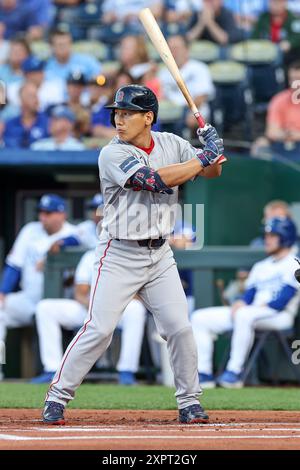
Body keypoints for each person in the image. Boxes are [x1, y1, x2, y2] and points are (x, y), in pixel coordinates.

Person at [42, 83, 225, 426]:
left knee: (180, 328)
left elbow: (212, 171)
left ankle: (189, 402)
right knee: (99, 329)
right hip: (119, 253)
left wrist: (211, 149)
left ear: (148, 118)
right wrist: (201, 157)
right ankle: (57, 396)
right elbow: (152, 180)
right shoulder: (112, 153)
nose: (119, 120)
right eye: (117, 114)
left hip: (160, 255)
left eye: (127, 114)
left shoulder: (171, 143)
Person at [191, 217, 300, 389]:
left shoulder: (293, 264)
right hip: (252, 313)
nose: (267, 239)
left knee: (244, 314)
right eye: (266, 235)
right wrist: (240, 302)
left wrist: (247, 307)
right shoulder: (261, 266)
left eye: (273, 235)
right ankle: (204, 374)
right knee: (199, 317)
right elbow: (249, 296)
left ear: (285, 237)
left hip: (279, 315)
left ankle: (234, 372)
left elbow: (281, 301)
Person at [32, 248, 147, 385]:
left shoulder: (131, 256)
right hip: (90, 308)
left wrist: (111, 305)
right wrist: (93, 306)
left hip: (119, 310)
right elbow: (80, 292)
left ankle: (127, 372)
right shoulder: (91, 255)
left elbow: (138, 294)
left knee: (136, 309)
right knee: (45, 308)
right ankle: (52, 370)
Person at [0, 194, 80, 378]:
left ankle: (53, 372)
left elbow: (83, 240)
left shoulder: (73, 232)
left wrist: (59, 246)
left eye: (48, 213)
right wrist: (3, 291)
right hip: (29, 299)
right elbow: (14, 265)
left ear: (61, 214)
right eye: (41, 213)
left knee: (48, 311)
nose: (43, 217)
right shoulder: (30, 230)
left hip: (59, 302)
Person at [159, 34, 215, 134]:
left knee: (189, 119)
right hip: (168, 112)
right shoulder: (163, 72)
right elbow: (160, 96)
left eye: (176, 48)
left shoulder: (199, 68)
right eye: (169, 48)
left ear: (186, 50)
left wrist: (182, 111)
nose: (172, 52)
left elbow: (201, 98)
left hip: (193, 110)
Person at [251, 61, 300, 156]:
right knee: (260, 146)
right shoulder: (279, 99)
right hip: (283, 143)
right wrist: (288, 135)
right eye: (292, 79)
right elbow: (272, 132)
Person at [252, 0, 300, 66]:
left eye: (277, 2)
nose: (274, 5)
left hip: (287, 55)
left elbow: (297, 36)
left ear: (284, 3)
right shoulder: (263, 17)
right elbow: (254, 36)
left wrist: (290, 42)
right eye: (272, 2)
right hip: (265, 52)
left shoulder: (293, 19)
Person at [2, 81, 49, 148]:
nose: (37, 100)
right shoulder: (9, 125)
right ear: (22, 99)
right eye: (32, 96)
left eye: (36, 96)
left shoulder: (48, 123)